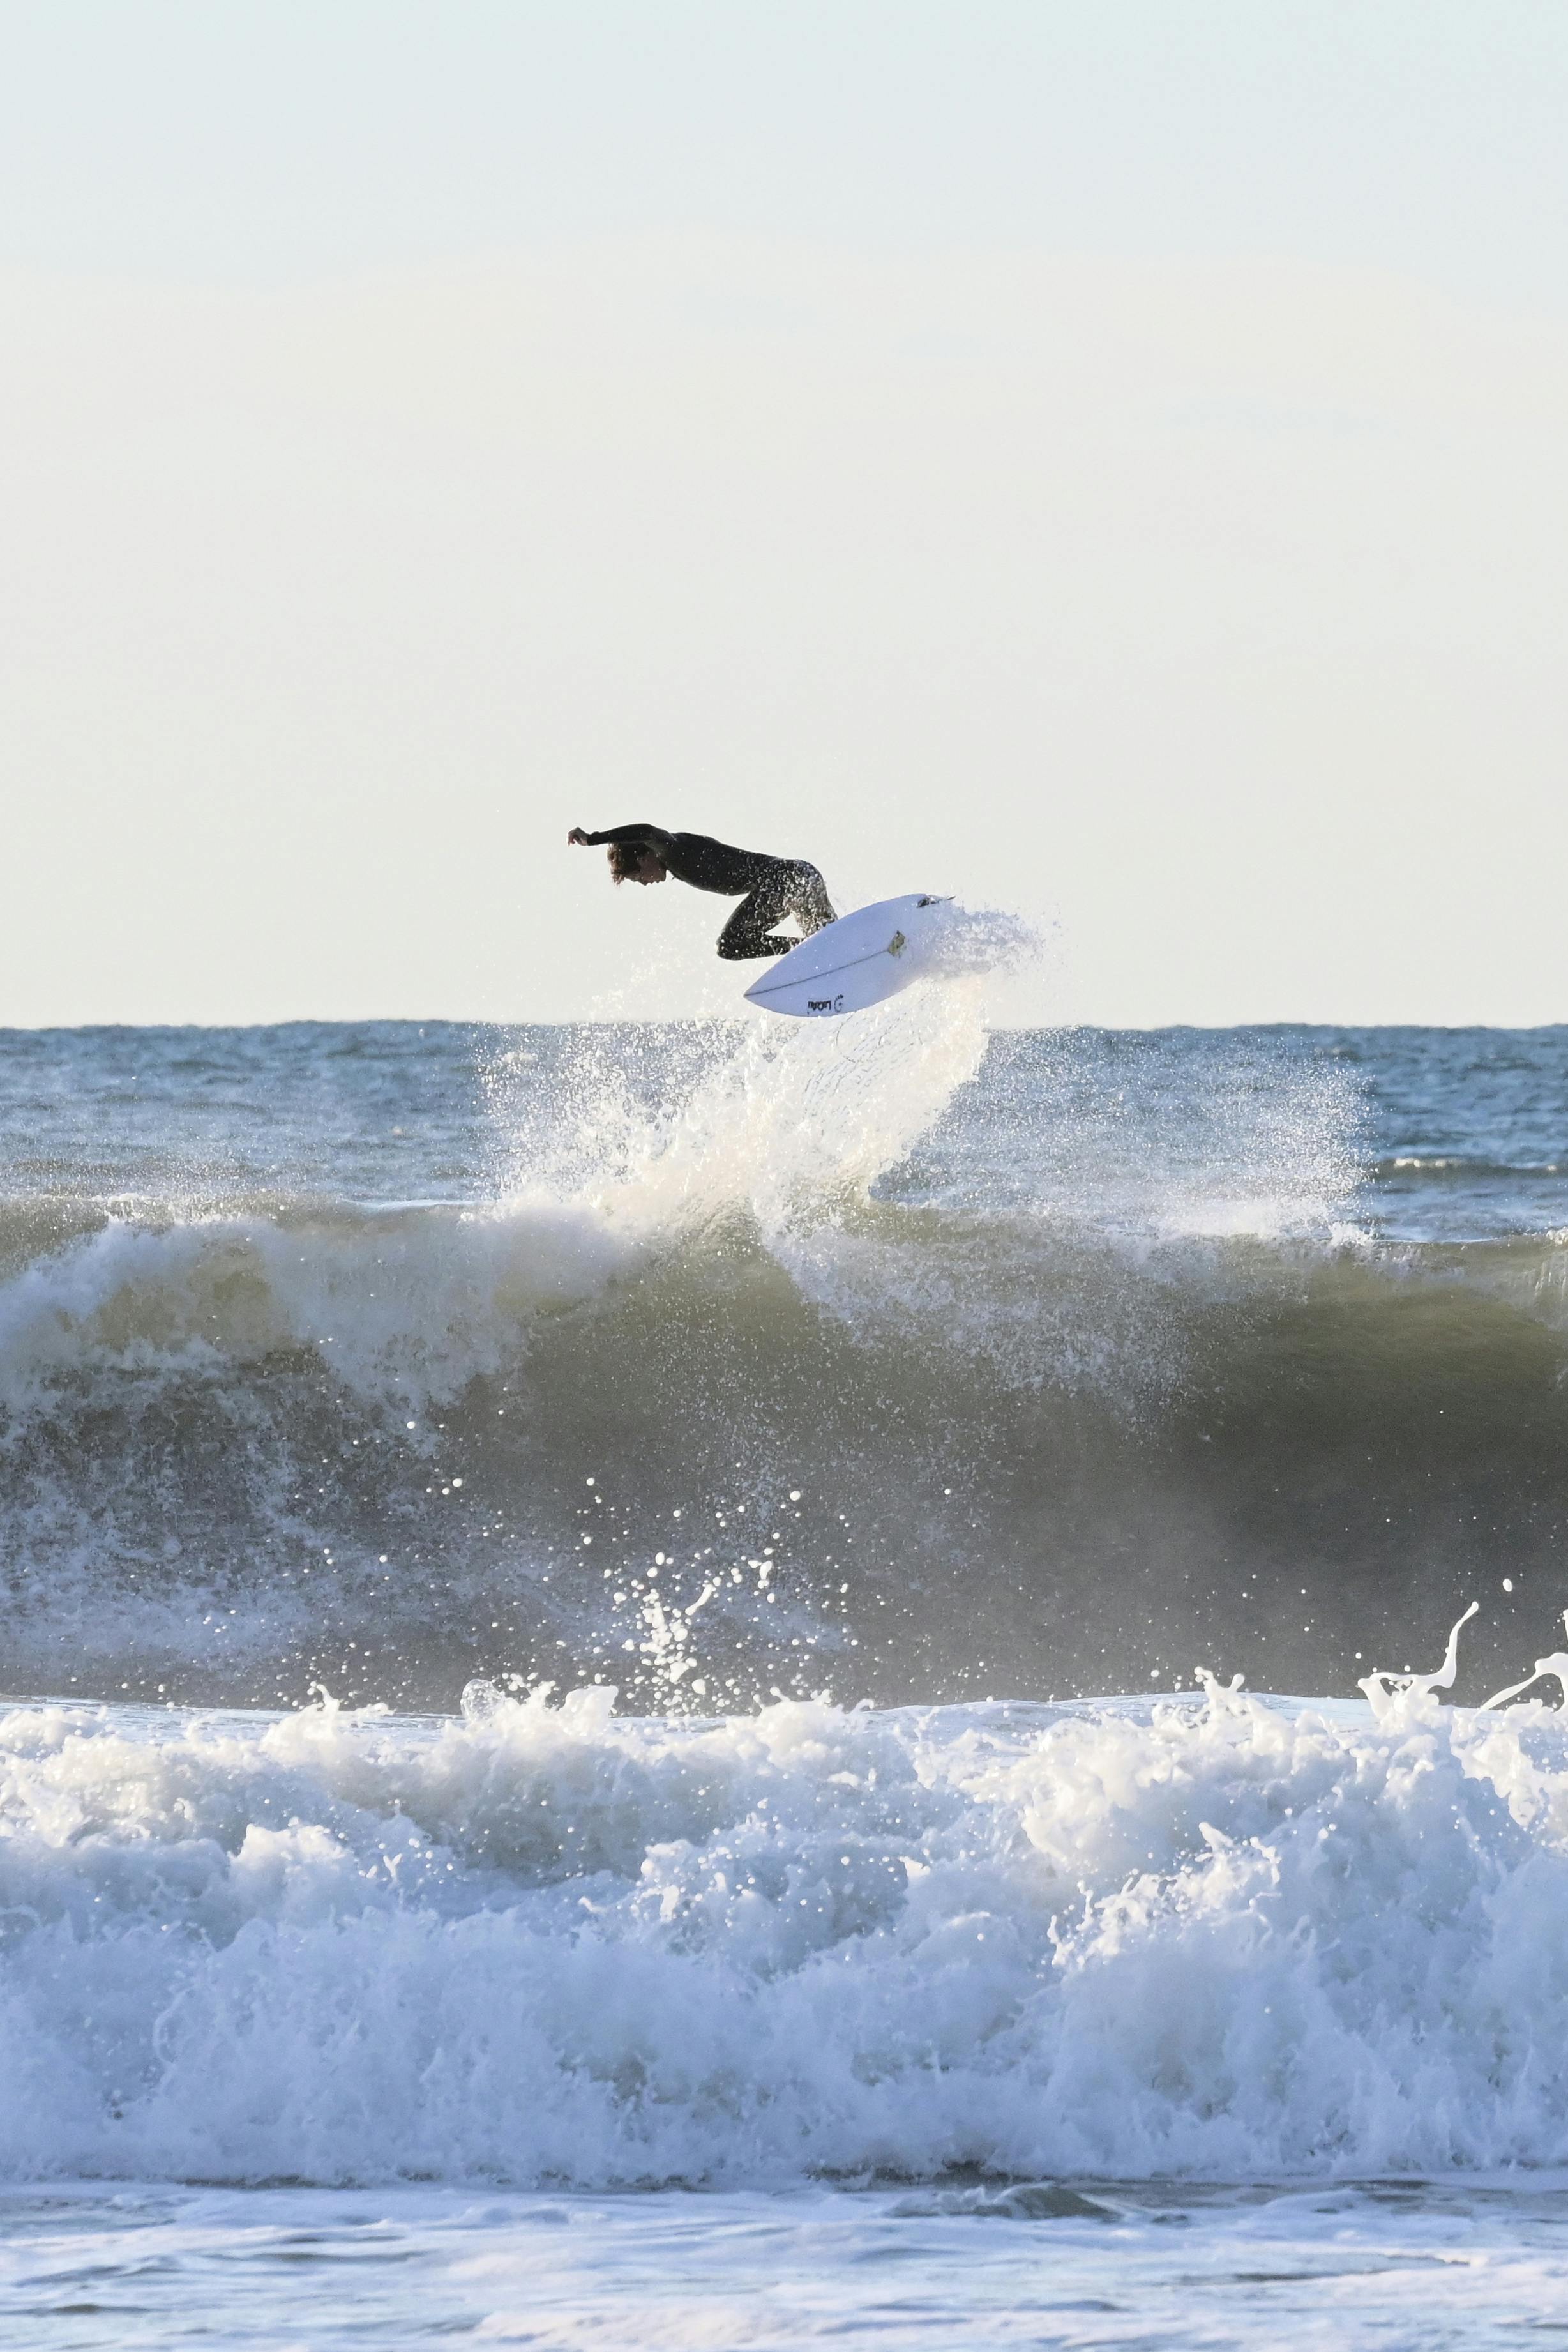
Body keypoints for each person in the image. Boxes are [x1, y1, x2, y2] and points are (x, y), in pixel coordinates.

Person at [566, 823, 837, 959]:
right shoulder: (677, 864)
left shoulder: (671, 849)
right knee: (830, 948)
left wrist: (594, 839)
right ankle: (817, 949)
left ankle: (804, 949)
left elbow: (646, 830)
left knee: (729, 945)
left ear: (643, 856)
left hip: (788, 881)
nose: (646, 883)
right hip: (800, 878)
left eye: (639, 877)